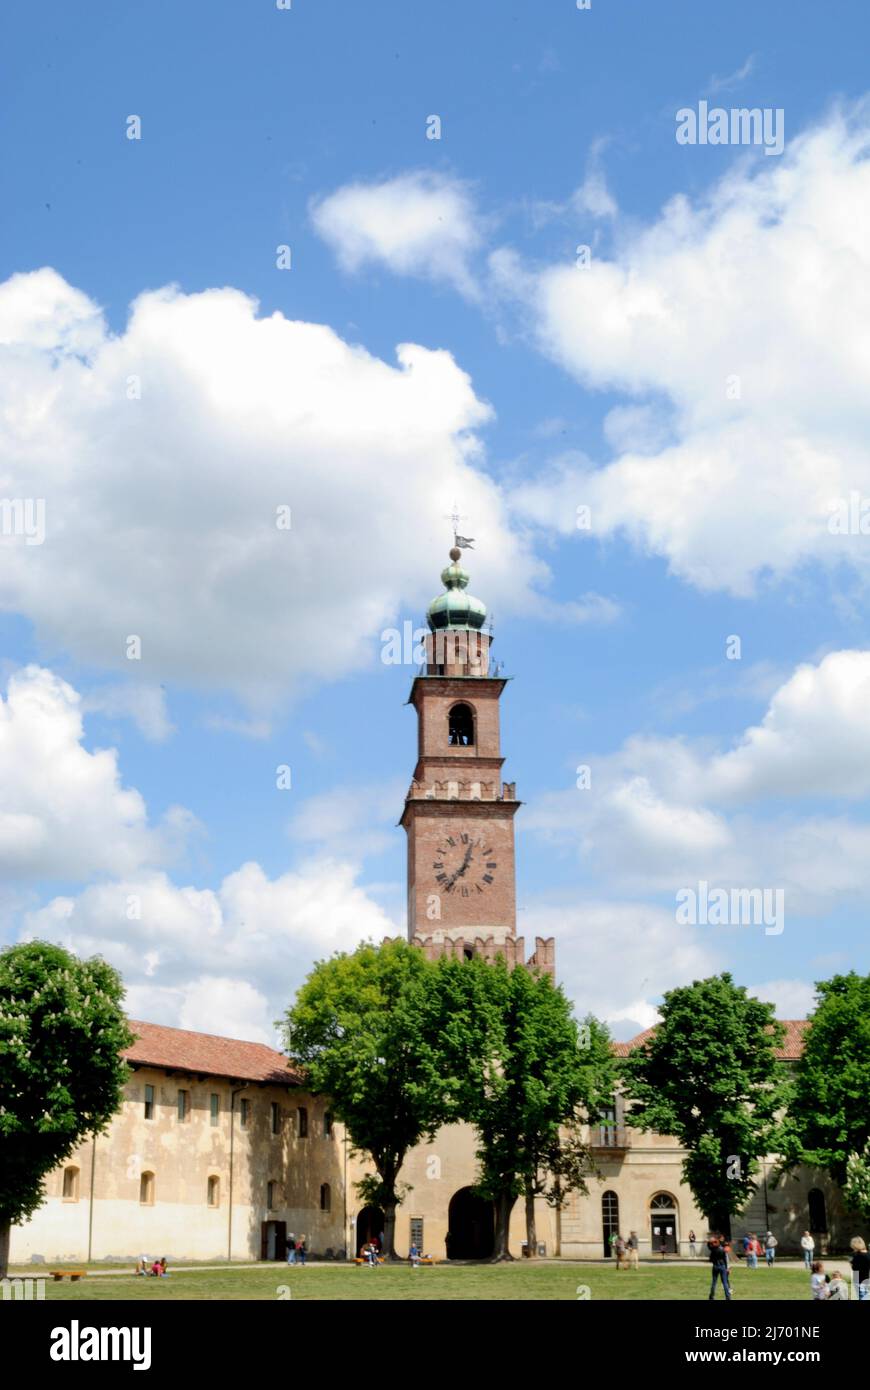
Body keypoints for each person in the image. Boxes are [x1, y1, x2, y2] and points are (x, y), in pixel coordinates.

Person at [708, 1236, 732, 1301]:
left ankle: (711, 1296)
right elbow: (725, 1259)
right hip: (722, 1266)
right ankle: (728, 1297)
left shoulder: (712, 1249)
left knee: (714, 1282)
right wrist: (727, 1268)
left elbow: (709, 1245)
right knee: (725, 1282)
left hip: (715, 1266)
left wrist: (710, 1241)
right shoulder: (722, 1250)